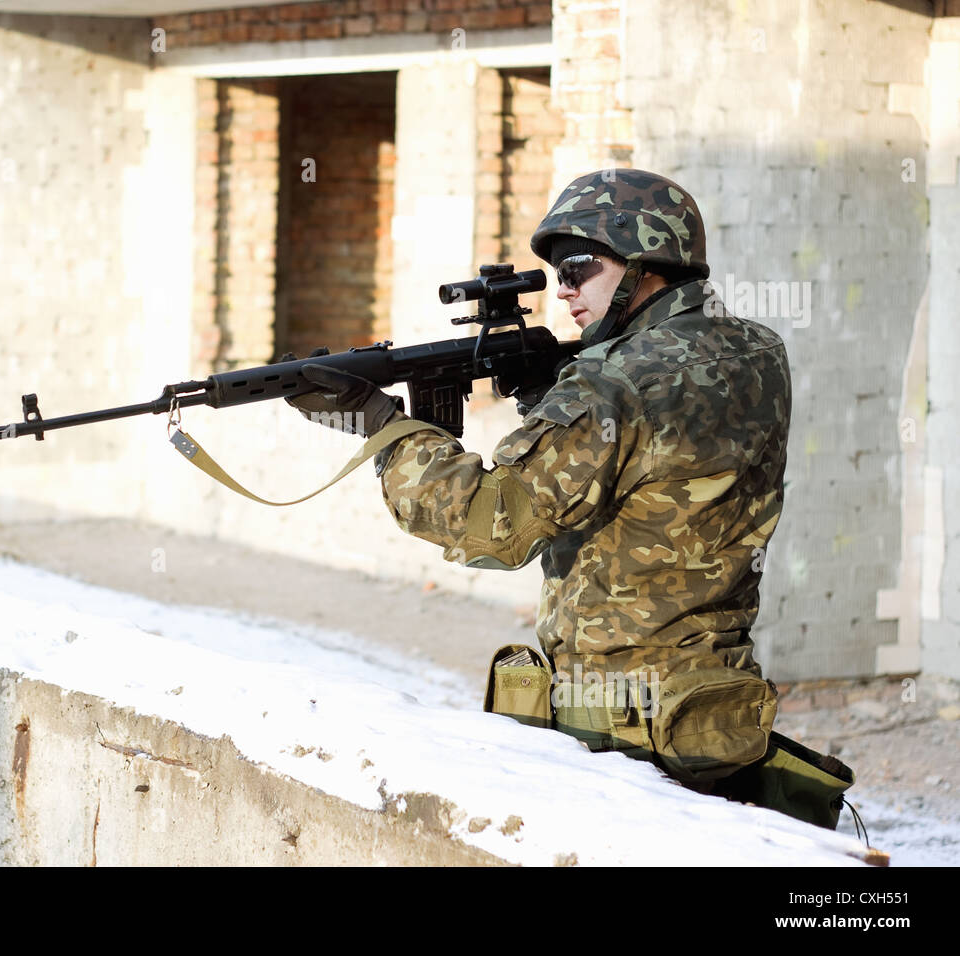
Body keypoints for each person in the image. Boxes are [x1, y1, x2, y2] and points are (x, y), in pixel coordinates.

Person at [287, 169, 853, 828]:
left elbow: (490, 527)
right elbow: (658, 454)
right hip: (712, 721)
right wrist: (546, 391)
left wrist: (382, 427)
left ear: (648, 265)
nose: (563, 289)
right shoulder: (757, 353)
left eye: (580, 267)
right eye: (557, 271)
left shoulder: (608, 385)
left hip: (616, 737)